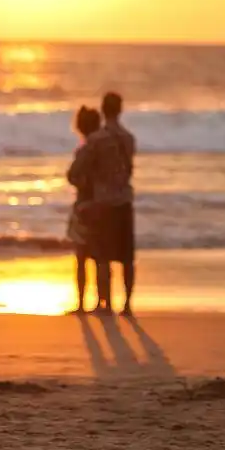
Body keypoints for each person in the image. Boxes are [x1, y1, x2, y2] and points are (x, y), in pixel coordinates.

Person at [67, 90, 137, 316]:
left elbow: (76, 171)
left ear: (103, 109)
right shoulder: (129, 138)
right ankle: (126, 305)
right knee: (126, 256)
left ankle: (103, 303)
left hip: (103, 202)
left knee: (103, 255)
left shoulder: (97, 140)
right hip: (125, 200)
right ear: (120, 109)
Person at [65, 106, 102, 314]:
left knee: (81, 256)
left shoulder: (84, 150)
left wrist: (82, 183)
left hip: (84, 205)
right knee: (99, 256)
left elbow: (71, 175)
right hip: (102, 204)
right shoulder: (105, 150)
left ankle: (81, 303)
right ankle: (100, 301)